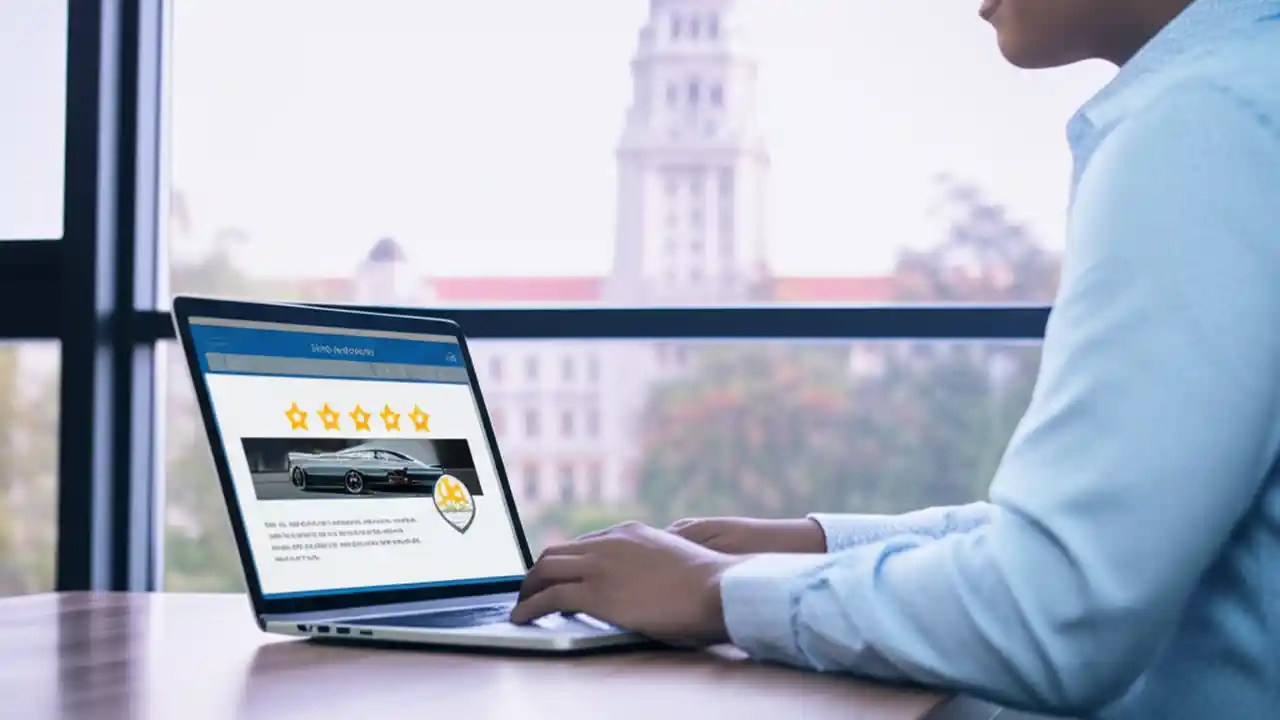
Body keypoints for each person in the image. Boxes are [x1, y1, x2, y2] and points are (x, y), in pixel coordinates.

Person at [510, 1, 1280, 717]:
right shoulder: (1242, 89)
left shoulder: (1202, 127)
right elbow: (1106, 537)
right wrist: (813, 544)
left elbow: (1059, 608)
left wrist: (719, 591)